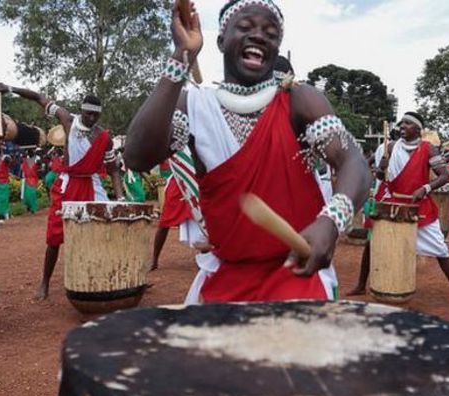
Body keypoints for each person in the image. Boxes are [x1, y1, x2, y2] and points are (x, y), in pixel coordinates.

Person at [123, 0, 371, 303]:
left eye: (270, 33)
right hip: (224, 280)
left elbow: (354, 163)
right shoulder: (193, 105)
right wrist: (181, 56)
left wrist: (331, 221)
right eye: (245, 27)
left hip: (298, 277)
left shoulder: (300, 100)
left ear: (276, 49)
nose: (258, 35)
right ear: (221, 41)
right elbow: (137, 157)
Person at [0, 84, 120, 300]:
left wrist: (120, 197)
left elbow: (113, 169)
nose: (91, 118)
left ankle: (115, 275)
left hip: (92, 185)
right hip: (67, 184)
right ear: (81, 111)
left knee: (106, 228)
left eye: (95, 115)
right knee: (54, 237)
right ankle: (45, 282)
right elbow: (39, 97)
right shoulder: (67, 120)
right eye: (88, 114)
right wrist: (9, 88)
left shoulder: (104, 137)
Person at [348, 112, 449, 310]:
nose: (402, 126)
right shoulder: (391, 147)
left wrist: (425, 188)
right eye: (401, 124)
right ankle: (360, 284)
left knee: (441, 250)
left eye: (407, 124)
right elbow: (382, 177)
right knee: (372, 243)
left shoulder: (428, 148)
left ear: (418, 129)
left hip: (419, 207)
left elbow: (444, 175)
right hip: (392, 203)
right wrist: (381, 170)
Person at [152, 150, 196, 270]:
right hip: (176, 180)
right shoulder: (169, 143)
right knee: (165, 222)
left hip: (193, 179)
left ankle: (206, 256)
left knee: (201, 218)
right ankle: (154, 259)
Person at [21, 150, 41, 214]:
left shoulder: (36, 160)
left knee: (32, 194)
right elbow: (23, 170)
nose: (30, 154)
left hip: (33, 179)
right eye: (29, 153)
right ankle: (29, 207)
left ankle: (33, 208)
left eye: (31, 152)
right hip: (27, 179)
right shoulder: (25, 161)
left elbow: (39, 165)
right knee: (27, 195)